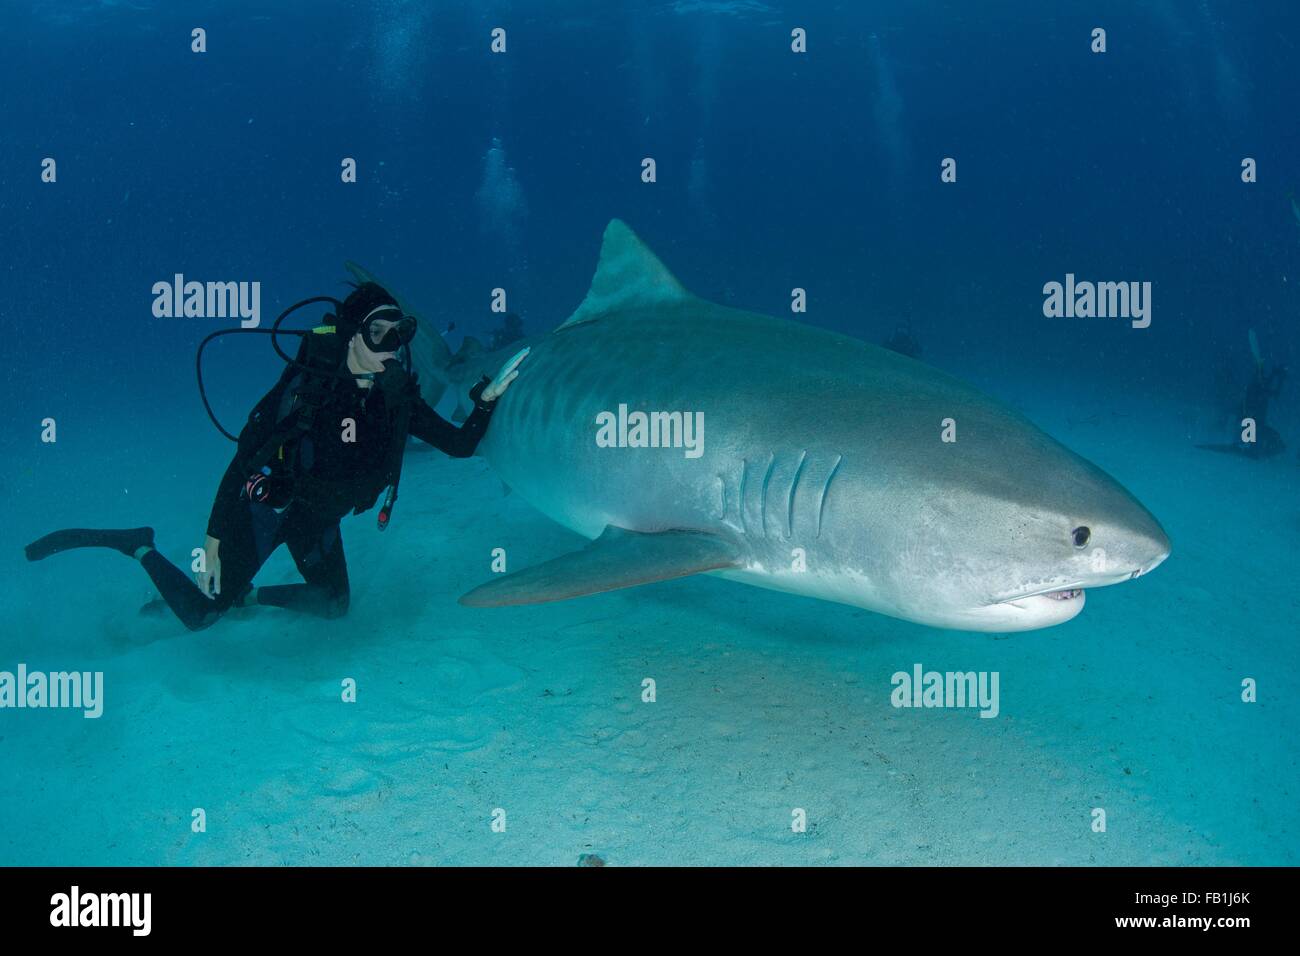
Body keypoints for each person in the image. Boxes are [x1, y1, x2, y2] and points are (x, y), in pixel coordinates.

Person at [25, 282, 529, 631]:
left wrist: (486, 401)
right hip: (272, 512)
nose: (393, 348)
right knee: (202, 617)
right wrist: (214, 537)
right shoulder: (306, 394)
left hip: (319, 520)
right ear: (353, 334)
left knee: (334, 608)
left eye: (401, 334)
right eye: (380, 334)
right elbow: (243, 461)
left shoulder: (396, 400)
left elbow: (460, 447)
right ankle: (138, 546)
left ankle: (248, 597)